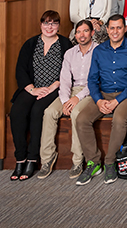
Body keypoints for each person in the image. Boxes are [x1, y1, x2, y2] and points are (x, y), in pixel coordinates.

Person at [75, 14, 127, 185]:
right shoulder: (99, 51)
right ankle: (93, 162)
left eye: (119, 28)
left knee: (119, 118)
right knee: (82, 119)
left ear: (125, 29)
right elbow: (92, 80)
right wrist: (98, 100)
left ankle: (110, 162)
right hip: (104, 93)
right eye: (112, 28)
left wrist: (116, 101)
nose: (115, 31)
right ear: (107, 30)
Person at [9, 11, 73, 181]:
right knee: (17, 112)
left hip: (55, 89)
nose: (49, 27)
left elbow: (69, 71)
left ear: (58, 25)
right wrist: (32, 89)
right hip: (32, 88)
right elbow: (20, 70)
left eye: (53, 23)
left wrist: (53, 86)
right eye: (46, 23)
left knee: (38, 112)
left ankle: (32, 159)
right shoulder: (30, 44)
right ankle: (20, 159)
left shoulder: (65, 44)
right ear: (40, 25)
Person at [37, 20, 95, 180]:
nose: (81, 35)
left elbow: (96, 81)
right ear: (75, 35)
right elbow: (65, 79)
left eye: (85, 31)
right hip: (69, 91)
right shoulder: (70, 53)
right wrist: (64, 101)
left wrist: (77, 98)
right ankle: (47, 159)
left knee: (76, 113)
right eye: (78, 32)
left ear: (92, 33)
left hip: (89, 92)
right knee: (49, 112)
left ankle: (77, 160)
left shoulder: (99, 51)